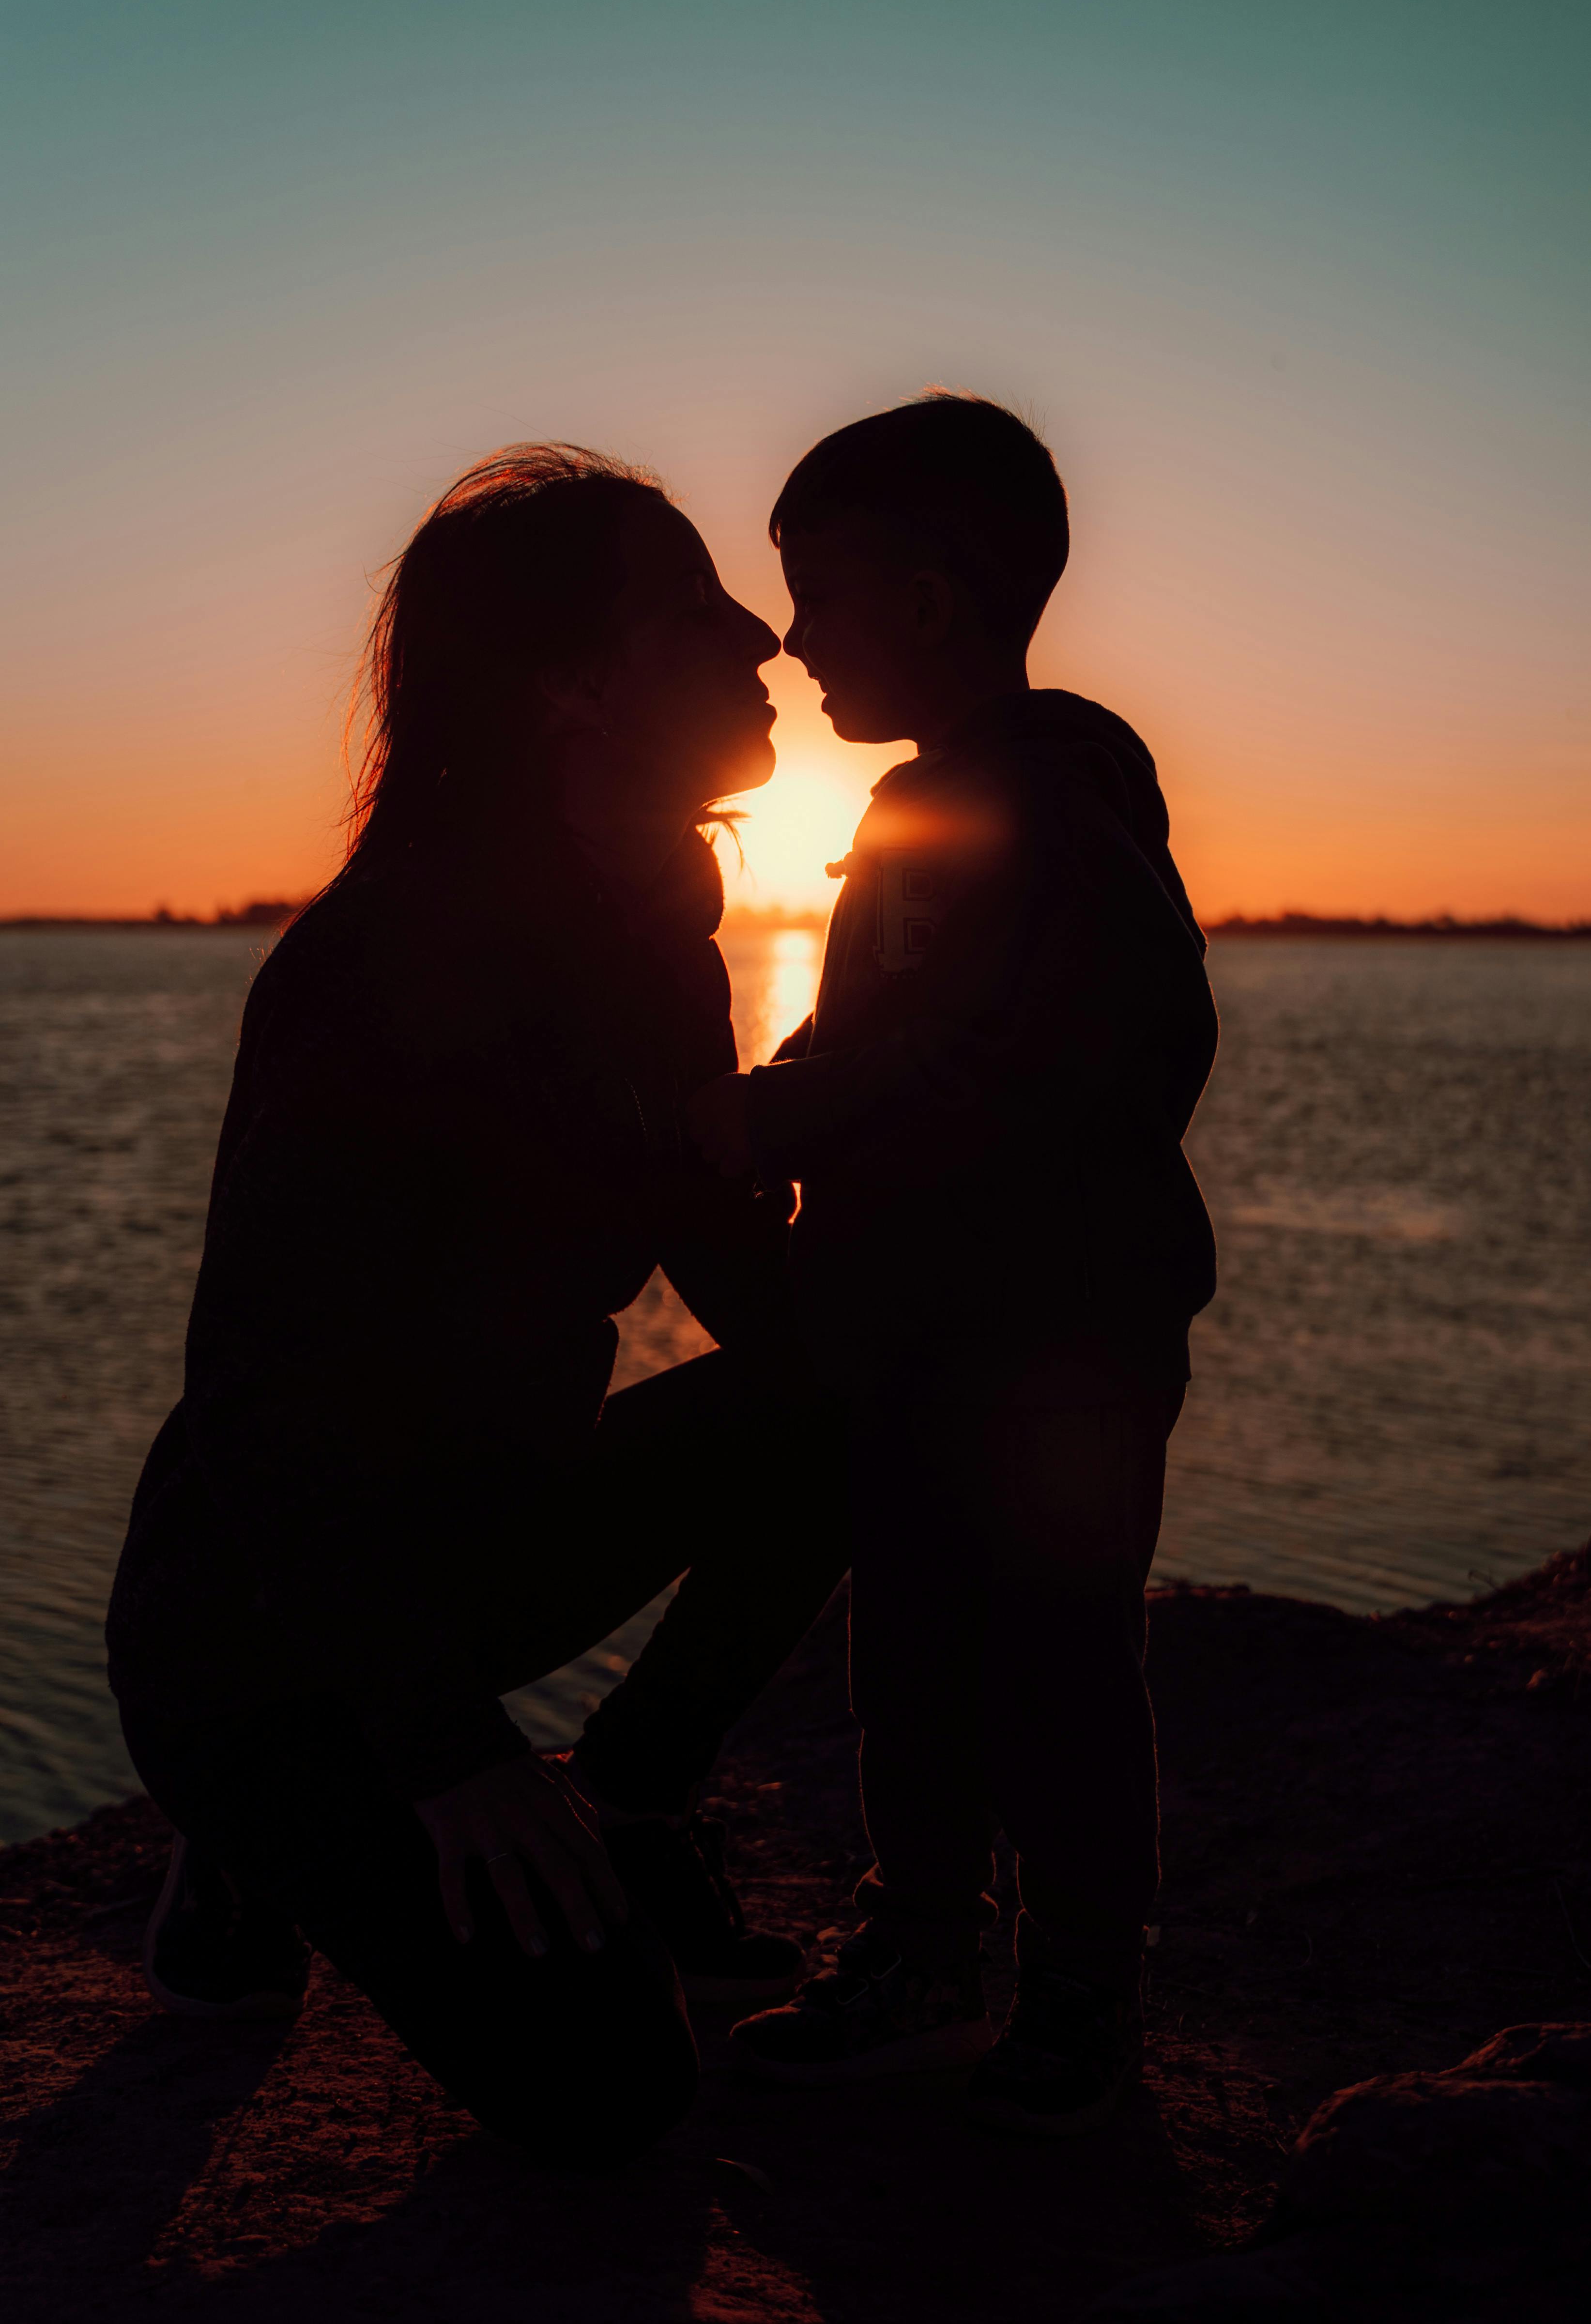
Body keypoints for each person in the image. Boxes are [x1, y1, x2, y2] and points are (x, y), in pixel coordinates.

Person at [107, 445, 847, 2167]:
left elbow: (731, 1267)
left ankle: (639, 1791)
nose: (758, 631)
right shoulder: (381, 970)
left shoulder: (664, 917)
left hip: (481, 1541)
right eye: (692, 605)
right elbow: (257, 1402)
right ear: (570, 685)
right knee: (615, 2095)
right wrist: (447, 1755)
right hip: (261, 1626)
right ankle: (241, 1827)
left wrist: (920, 1223)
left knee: (863, 1379)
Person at [687, 392, 1218, 2136]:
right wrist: (777, 1118)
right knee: (908, 1646)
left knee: (1061, 1655)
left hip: (1061, 1334)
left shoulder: (1061, 797)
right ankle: (921, 1950)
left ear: (927, 602)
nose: (791, 639)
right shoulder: (915, 814)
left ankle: (1077, 1992)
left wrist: (807, 1121)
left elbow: (1091, 1041)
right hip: (911, 1335)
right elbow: (870, 1042)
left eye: (815, 595)